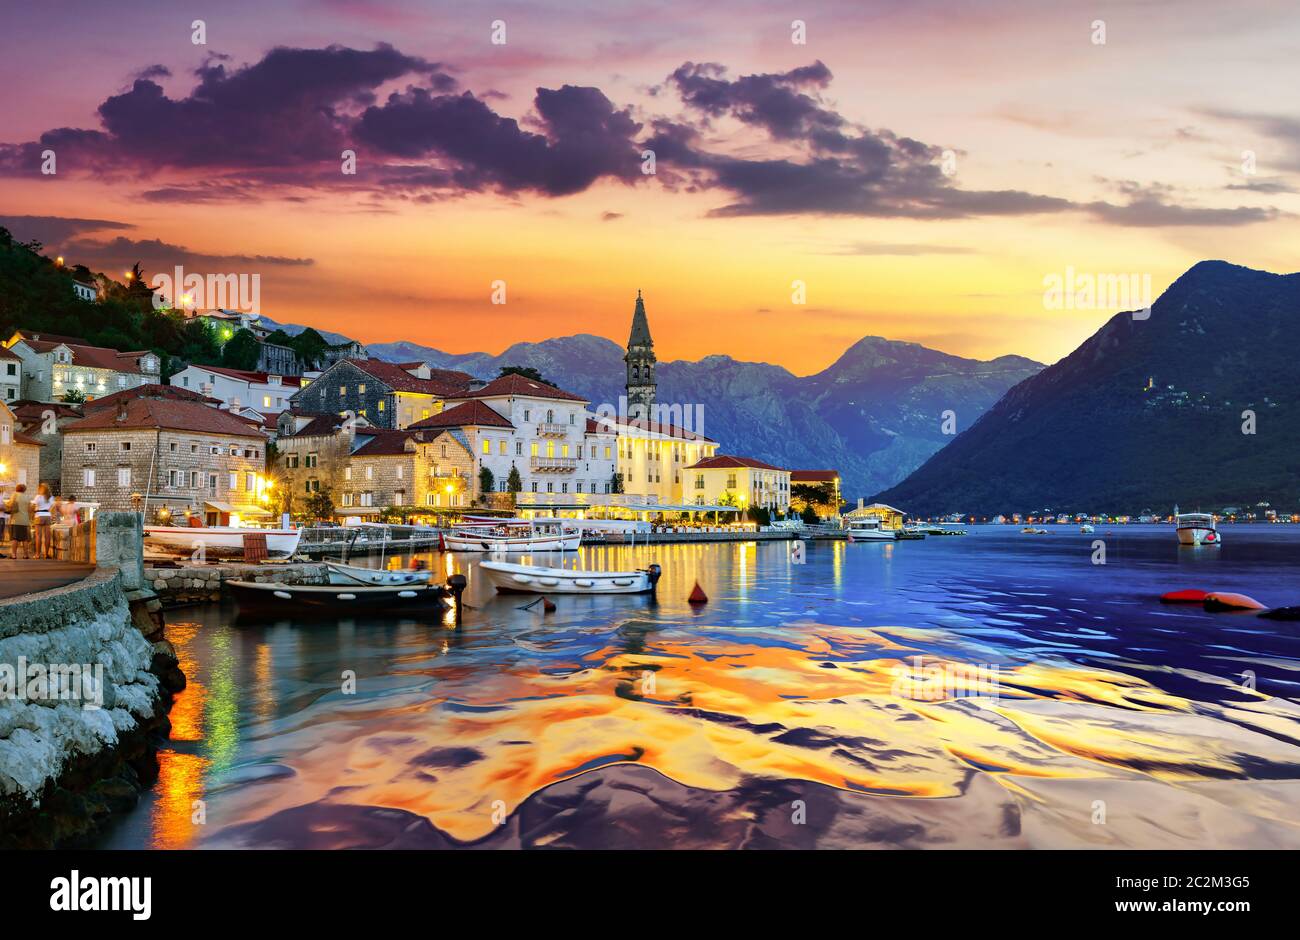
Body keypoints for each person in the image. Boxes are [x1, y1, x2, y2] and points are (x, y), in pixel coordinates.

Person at [8, 484, 31, 560]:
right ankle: (26, 555)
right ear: (24, 490)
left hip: (15, 520)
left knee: (15, 538)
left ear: (16, 489)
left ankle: (14, 555)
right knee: (25, 539)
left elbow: (10, 505)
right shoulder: (27, 497)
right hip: (25, 520)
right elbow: (30, 509)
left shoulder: (14, 495)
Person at [33, 483, 54, 559]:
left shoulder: (38, 497)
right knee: (47, 536)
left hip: (39, 515)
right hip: (47, 515)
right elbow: (52, 507)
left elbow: (33, 505)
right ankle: (46, 554)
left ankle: (37, 554)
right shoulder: (51, 497)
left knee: (38, 536)